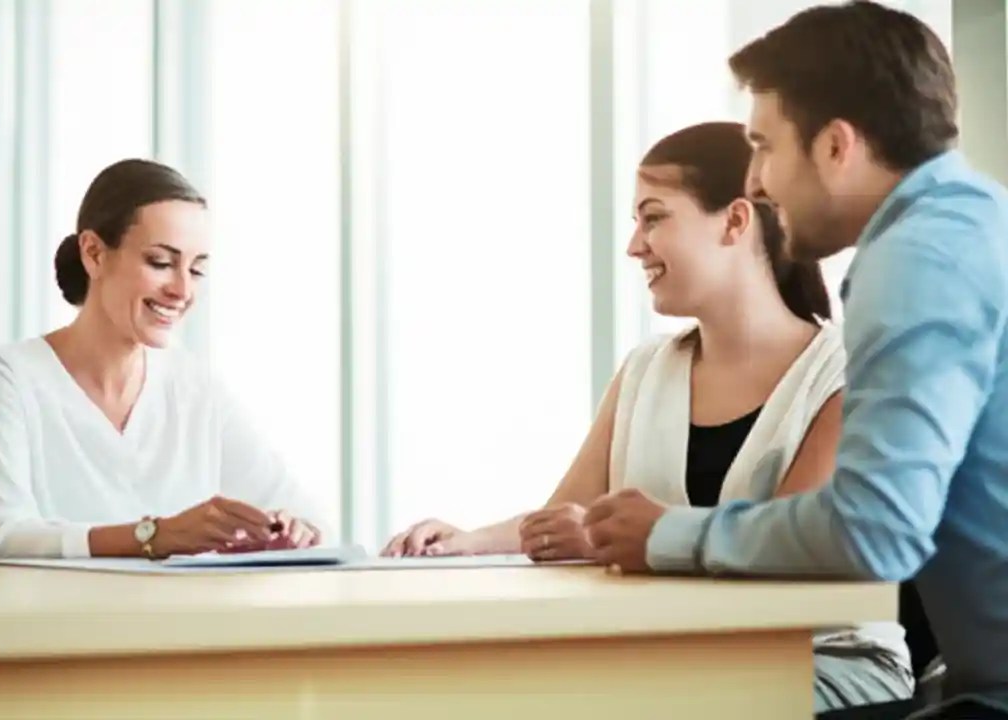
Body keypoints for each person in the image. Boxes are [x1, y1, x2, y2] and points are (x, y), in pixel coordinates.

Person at [382, 121, 912, 712]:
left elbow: (786, 556)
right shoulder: (645, 370)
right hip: (682, 656)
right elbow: (568, 522)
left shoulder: (849, 374)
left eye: (653, 217)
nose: (634, 245)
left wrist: (637, 539)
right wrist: (469, 541)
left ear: (736, 221)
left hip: (824, 664)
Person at [579, 3, 1008, 719]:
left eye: (764, 146)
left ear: (836, 146)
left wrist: (667, 534)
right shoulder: (975, 222)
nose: (754, 181)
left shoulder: (916, 258)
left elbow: (876, 530)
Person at [0, 159, 325, 563]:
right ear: (94, 253)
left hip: (182, 622)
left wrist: (289, 528)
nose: (182, 290)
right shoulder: (10, 375)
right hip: (63, 622)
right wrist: (154, 536)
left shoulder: (195, 386)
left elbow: (304, 515)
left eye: (197, 269)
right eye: (161, 263)